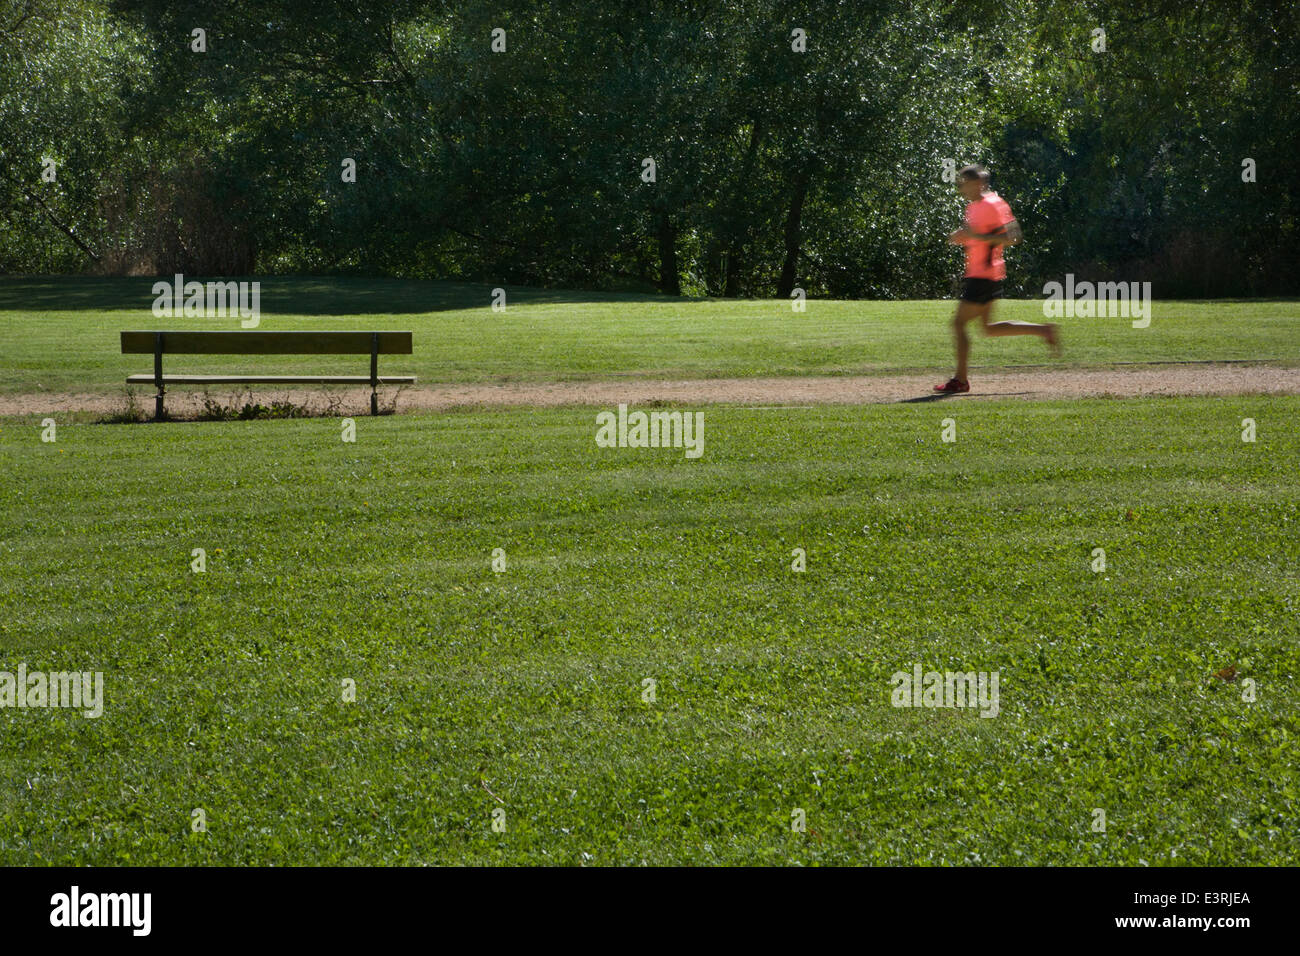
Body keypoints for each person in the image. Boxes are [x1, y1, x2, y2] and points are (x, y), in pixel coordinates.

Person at [935, 164, 1060, 394]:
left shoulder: (994, 204)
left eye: (965, 184)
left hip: (984, 275)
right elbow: (979, 236)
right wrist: (963, 237)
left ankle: (960, 380)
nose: (962, 189)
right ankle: (1043, 330)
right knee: (988, 329)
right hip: (982, 273)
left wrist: (973, 235)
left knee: (958, 323)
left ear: (978, 183)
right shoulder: (972, 207)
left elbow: (1014, 237)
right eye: (961, 184)